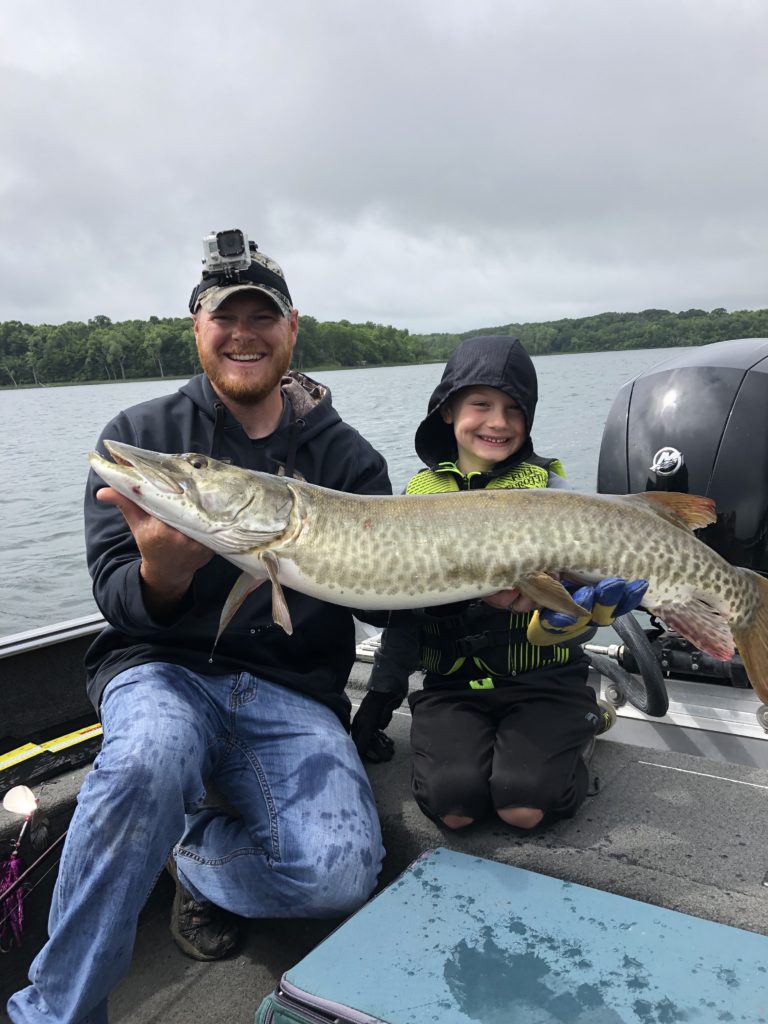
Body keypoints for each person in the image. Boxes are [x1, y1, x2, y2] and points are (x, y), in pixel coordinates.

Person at [8, 236, 392, 1024]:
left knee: (339, 872)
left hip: (293, 691)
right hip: (163, 672)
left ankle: (193, 859)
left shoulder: (348, 459)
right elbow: (119, 599)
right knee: (148, 755)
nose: (244, 332)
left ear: (293, 331)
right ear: (197, 328)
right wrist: (165, 572)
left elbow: (387, 607)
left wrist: (510, 593)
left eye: (264, 316)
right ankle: (53, 1013)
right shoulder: (144, 435)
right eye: (226, 317)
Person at [351, 335, 646, 831]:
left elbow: (586, 604)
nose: (498, 422)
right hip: (453, 685)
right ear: (447, 410)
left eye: (514, 409)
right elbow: (403, 615)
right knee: (455, 807)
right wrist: (380, 698)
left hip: (543, 682)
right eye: (481, 404)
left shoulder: (550, 493)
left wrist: (576, 620)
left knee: (524, 806)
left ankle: (586, 722)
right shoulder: (415, 500)